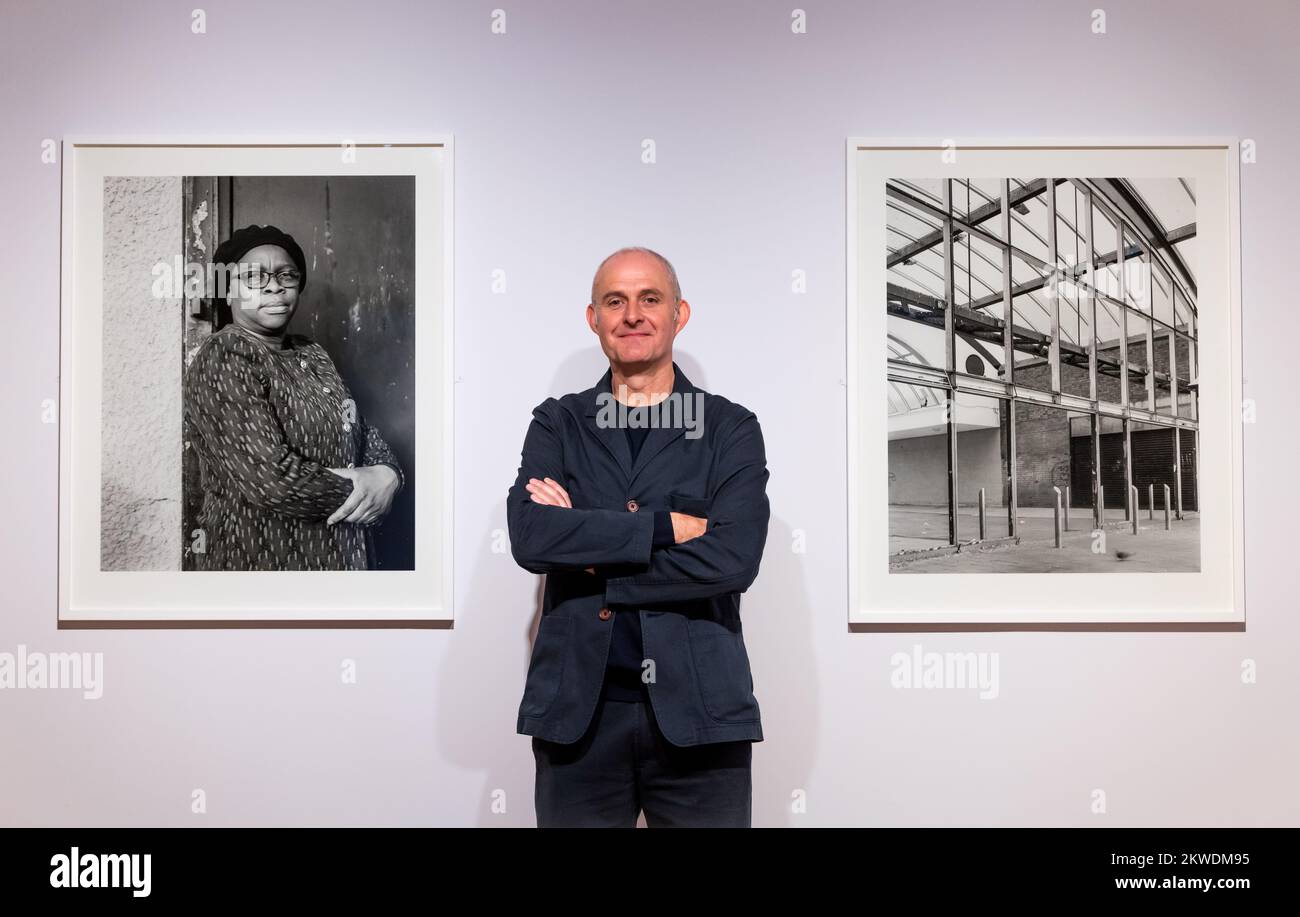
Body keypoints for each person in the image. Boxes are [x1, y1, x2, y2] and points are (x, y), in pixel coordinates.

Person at [507, 246, 770, 827]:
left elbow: (733, 559)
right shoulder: (558, 423)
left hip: (702, 715)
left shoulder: (729, 427)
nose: (632, 314)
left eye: (650, 299)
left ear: (679, 314)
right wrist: (663, 528)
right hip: (578, 717)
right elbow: (530, 537)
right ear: (593, 318)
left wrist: (592, 560)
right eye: (615, 301)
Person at [183, 224, 403, 571]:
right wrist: (368, 489)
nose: (274, 286)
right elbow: (270, 479)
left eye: (286, 275)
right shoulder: (225, 354)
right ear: (227, 291)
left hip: (343, 560)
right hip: (264, 564)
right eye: (253, 277)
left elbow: (360, 432)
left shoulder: (311, 353)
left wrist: (389, 473)